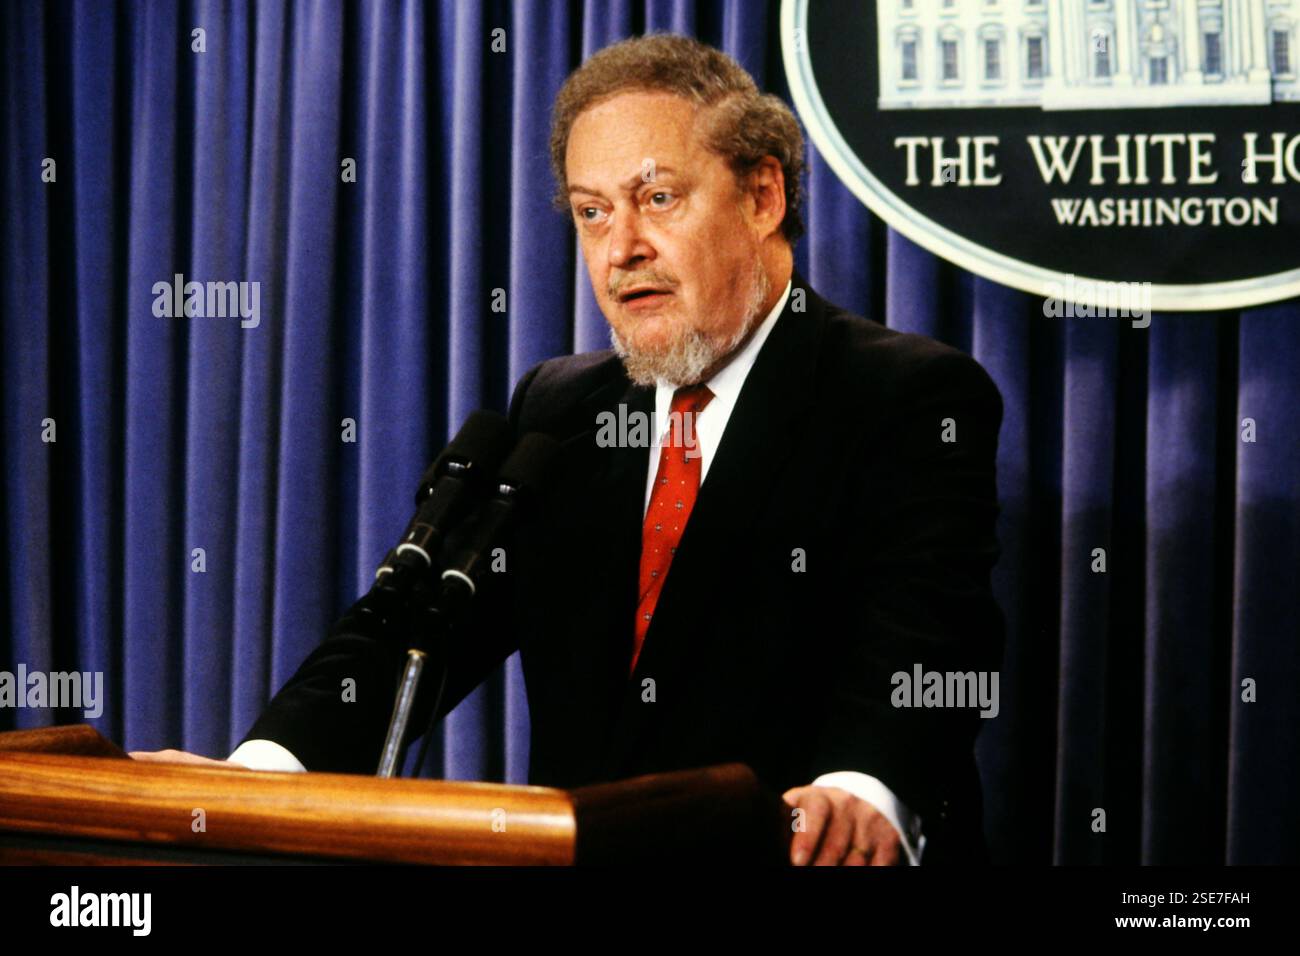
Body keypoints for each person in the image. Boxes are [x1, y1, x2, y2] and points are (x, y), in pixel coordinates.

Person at [133, 34, 1004, 867]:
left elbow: (926, 637)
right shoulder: (561, 408)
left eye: (658, 198)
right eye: (593, 212)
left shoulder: (904, 394)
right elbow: (411, 623)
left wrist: (864, 787)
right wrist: (264, 776)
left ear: (763, 197)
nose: (622, 248)